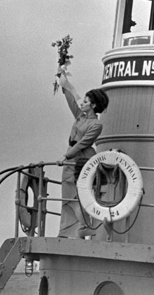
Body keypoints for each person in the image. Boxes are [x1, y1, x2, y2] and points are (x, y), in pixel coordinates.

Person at [57, 70, 109, 239]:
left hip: (82, 159)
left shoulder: (96, 125)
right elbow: (73, 99)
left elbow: (83, 143)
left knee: (79, 194)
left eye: (86, 101)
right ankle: (67, 231)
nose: (83, 103)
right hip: (71, 158)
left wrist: (66, 156)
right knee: (67, 195)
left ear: (93, 105)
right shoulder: (80, 116)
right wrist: (63, 82)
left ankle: (84, 226)